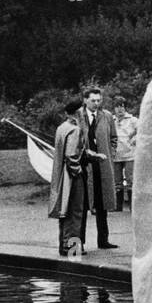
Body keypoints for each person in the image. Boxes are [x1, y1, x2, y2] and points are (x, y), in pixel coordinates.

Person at [48, 97, 90, 257]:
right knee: (75, 211)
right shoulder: (75, 129)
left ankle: (64, 244)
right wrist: (78, 171)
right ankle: (72, 247)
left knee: (65, 210)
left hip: (61, 174)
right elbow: (71, 155)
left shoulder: (62, 127)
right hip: (72, 176)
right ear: (78, 112)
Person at [78, 85, 118, 250]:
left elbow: (114, 138)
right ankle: (79, 243)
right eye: (93, 100)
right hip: (83, 165)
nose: (96, 103)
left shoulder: (107, 116)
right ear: (85, 100)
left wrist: (111, 154)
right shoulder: (78, 116)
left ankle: (103, 240)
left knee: (102, 205)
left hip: (102, 165)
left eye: (98, 100)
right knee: (82, 205)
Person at [112, 96, 139, 210]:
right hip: (116, 154)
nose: (120, 109)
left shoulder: (132, 120)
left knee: (130, 180)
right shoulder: (111, 120)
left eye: (122, 106)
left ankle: (133, 207)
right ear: (114, 108)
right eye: (117, 106)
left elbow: (142, 129)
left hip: (130, 154)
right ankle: (118, 206)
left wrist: (135, 138)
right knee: (117, 181)